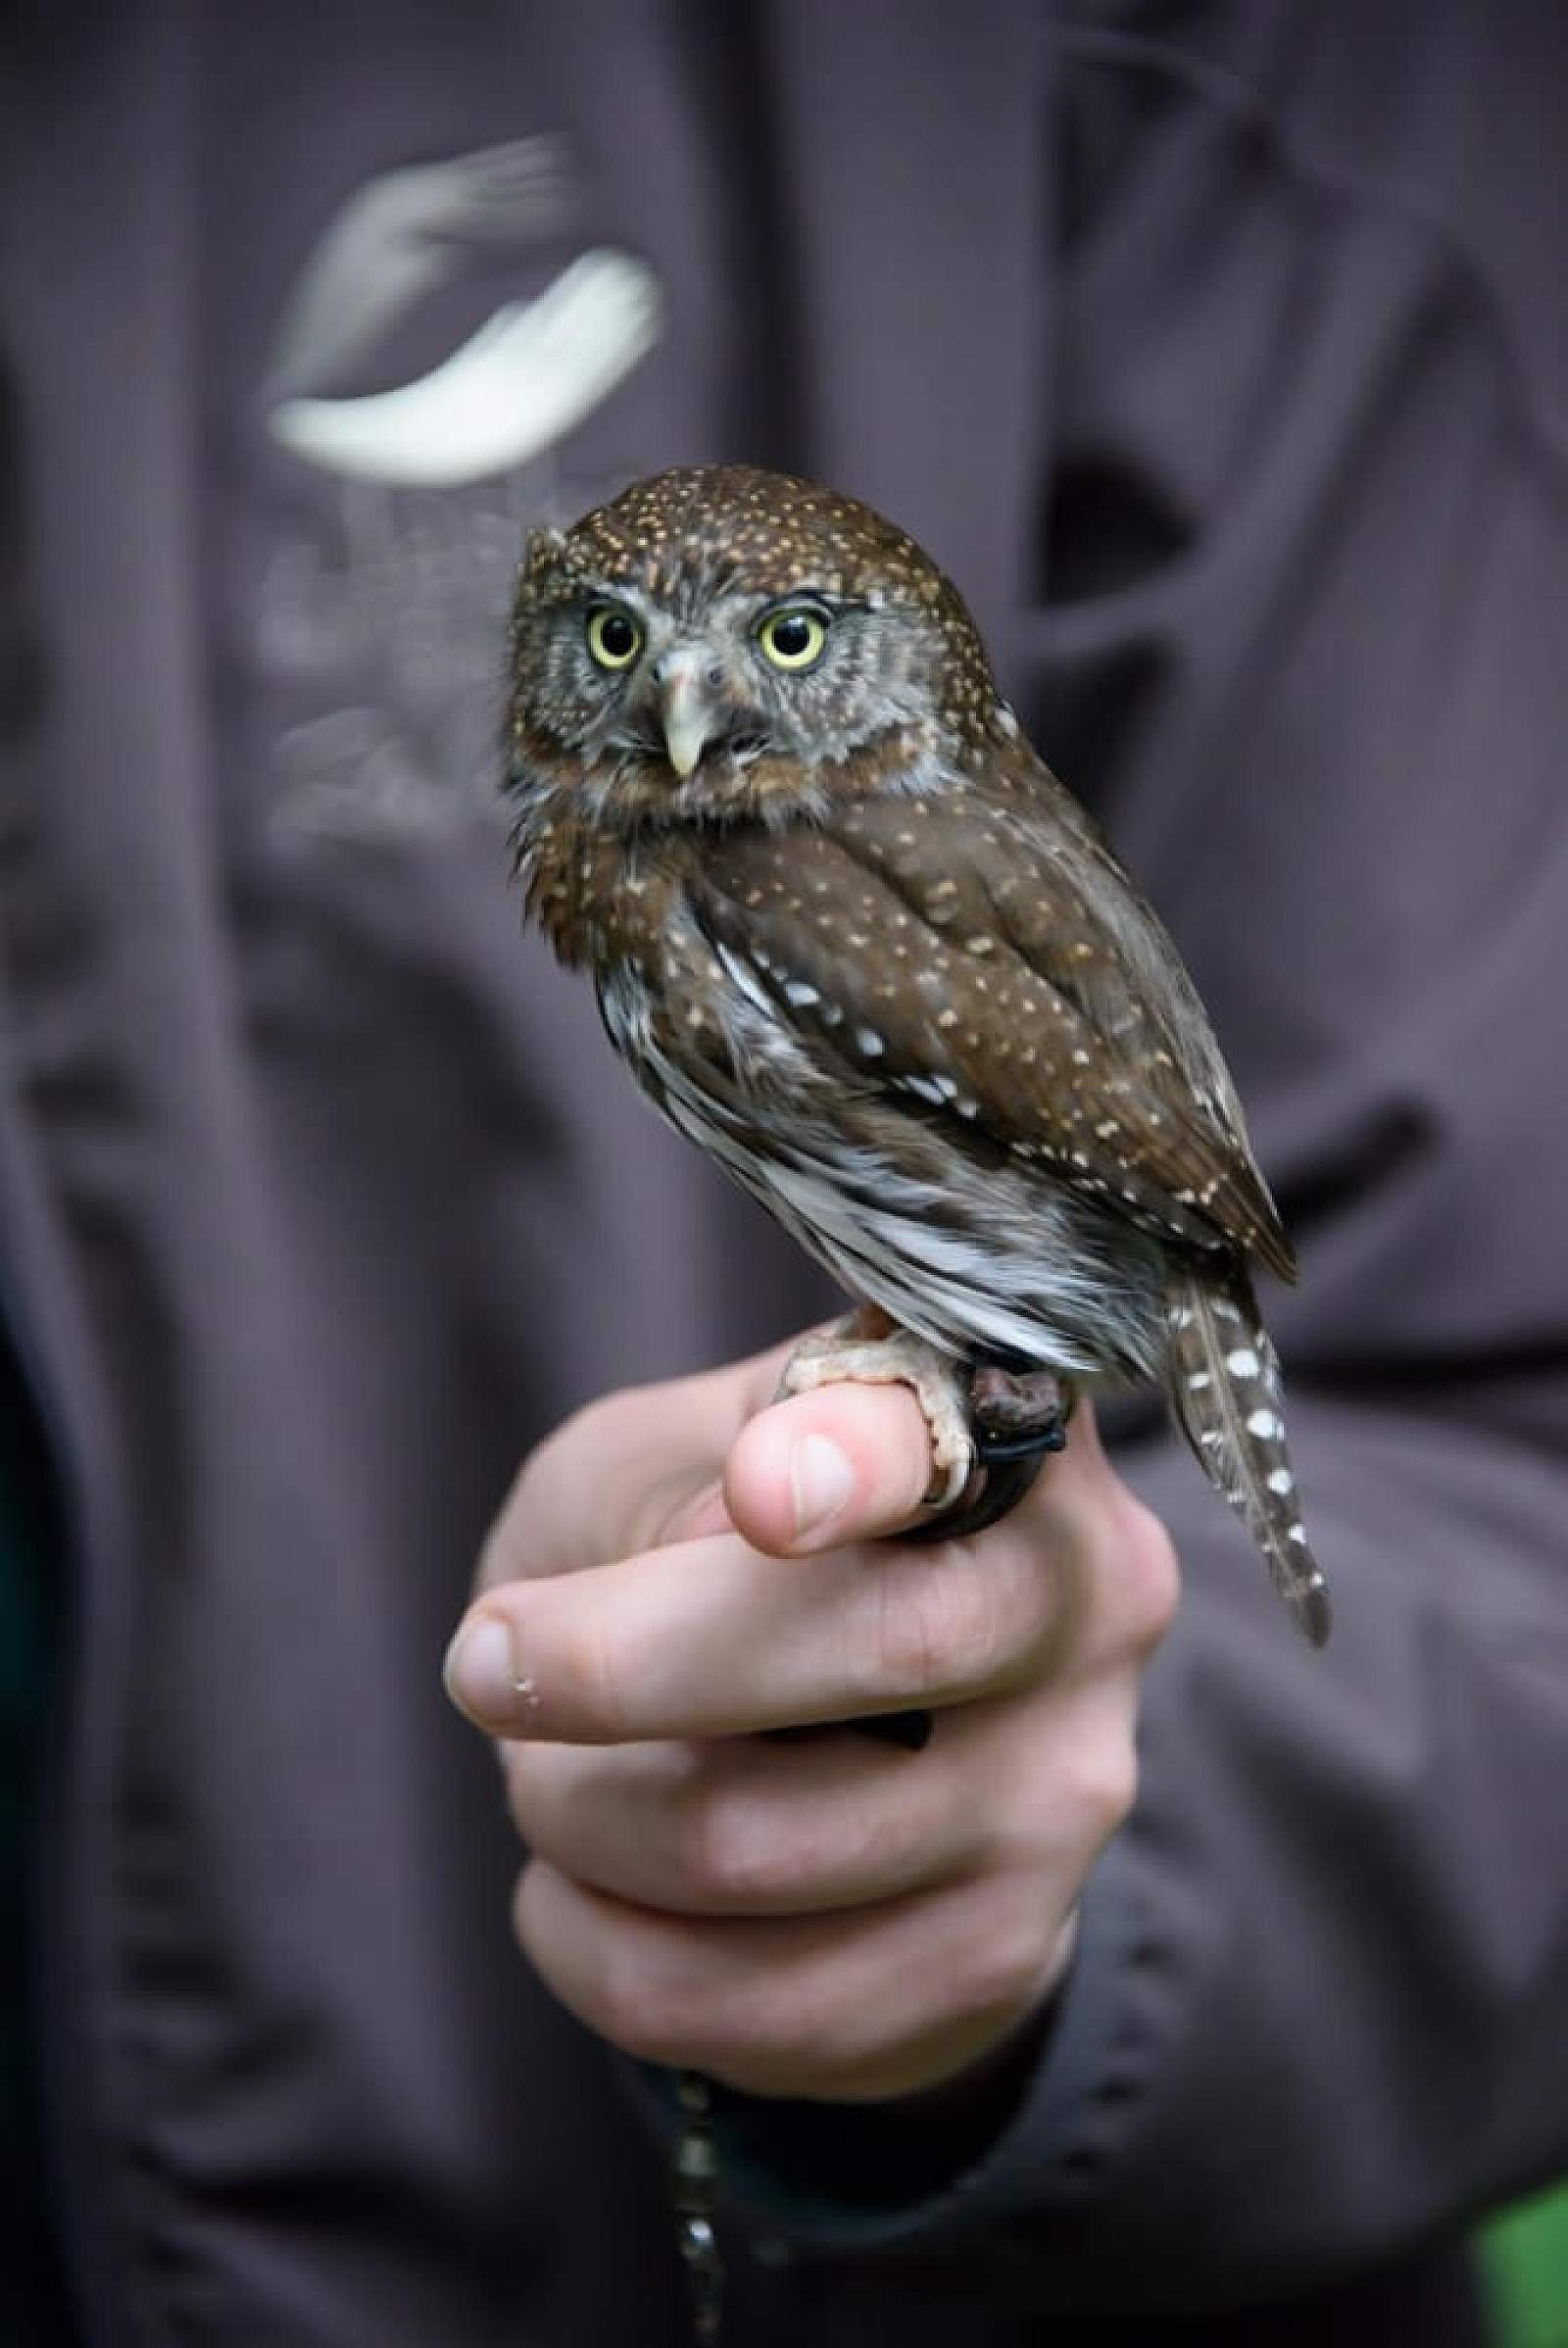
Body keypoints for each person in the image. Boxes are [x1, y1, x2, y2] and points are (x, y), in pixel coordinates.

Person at [3, 3, 1566, 2341]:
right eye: (614, 648)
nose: (689, 710)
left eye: (786, 646)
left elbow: (1408, 1363)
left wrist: (996, 1867)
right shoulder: (662, 860)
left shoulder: (809, 870)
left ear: (887, 658)